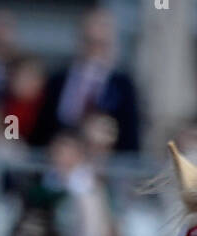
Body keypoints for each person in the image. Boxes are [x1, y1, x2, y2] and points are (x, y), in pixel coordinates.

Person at [29, 7, 140, 153]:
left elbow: (130, 138)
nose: (94, 51)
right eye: (89, 42)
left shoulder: (123, 85)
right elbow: (40, 130)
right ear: (79, 39)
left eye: (100, 44)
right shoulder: (57, 80)